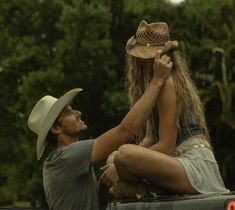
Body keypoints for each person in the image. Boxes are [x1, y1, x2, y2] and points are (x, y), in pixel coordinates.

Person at [27, 48, 172, 210]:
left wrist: (102, 187)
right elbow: (126, 129)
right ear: (55, 128)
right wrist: (157, 79)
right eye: (68, 112)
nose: (78, 113)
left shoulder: (59, 162)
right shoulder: (68, 156)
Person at [99, 20, 229, 197]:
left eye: (151, 57)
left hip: (192, 164)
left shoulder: (166, 82)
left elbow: (166, 145)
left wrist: (123, 164)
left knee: (124, 154)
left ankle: (144, 188)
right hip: (175, 161)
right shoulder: (154, 84)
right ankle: (144, 189)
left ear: (166, 56)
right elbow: (150, 138)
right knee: (116, 156)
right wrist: (117, 162)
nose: (145, 63)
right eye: (142, 57)